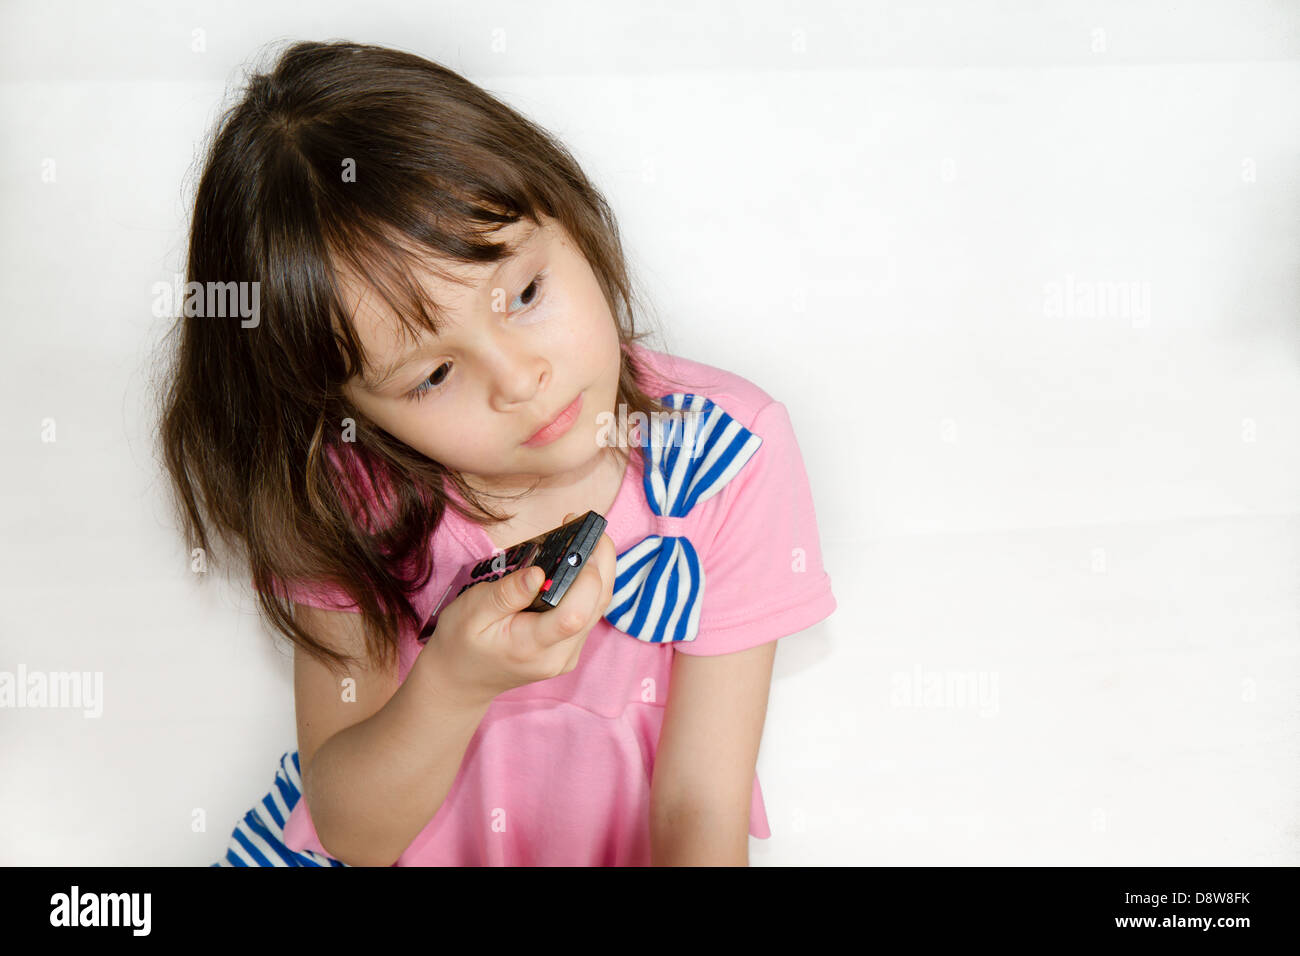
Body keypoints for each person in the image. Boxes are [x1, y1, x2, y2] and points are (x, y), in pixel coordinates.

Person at [157, 39, 836, 867]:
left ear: (570, 212)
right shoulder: (349, 494)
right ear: (346, 411)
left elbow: (700, 807)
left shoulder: (727, 456)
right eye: (434, 373)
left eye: (523, 294)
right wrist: (453, 683)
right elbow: (354, 833)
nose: (521, 380)